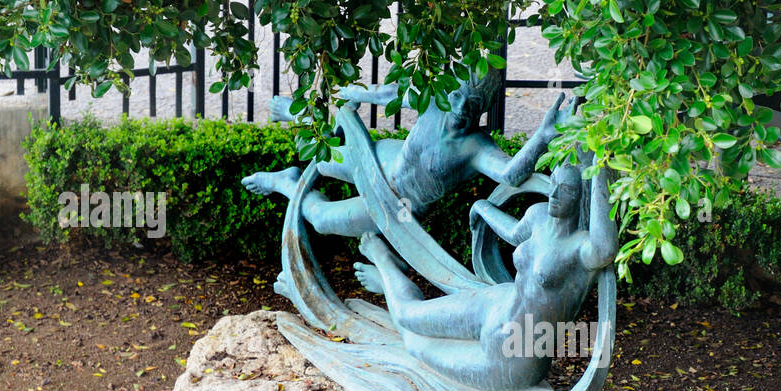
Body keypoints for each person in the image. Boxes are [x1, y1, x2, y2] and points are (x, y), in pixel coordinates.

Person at [350, 163, 616, 391]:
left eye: (567, 190)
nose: (555, 194)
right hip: (495, 304)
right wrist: (483, 208)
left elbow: (605, 248)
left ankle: (385, 274)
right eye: (554, 183)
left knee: (414, 344)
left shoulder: (582, 249)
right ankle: (386, 266)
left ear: (581, 196)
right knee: (408, 315)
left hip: (512, 357)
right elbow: (513, 233)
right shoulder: (537, 216)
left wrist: (600, 169)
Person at [242, 71, 571, 238]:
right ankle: (301, 117)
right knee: (325, 155)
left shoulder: (476, 147)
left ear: (481, 110)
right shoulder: (434, 102)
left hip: (397, 203)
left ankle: (286, 182)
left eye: (470, 105)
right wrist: (358, 93)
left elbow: (511, 174)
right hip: (378, 159)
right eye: (456, 97)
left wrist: (543, 136)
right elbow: (392, 95)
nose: (459, 109)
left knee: (322, 220)